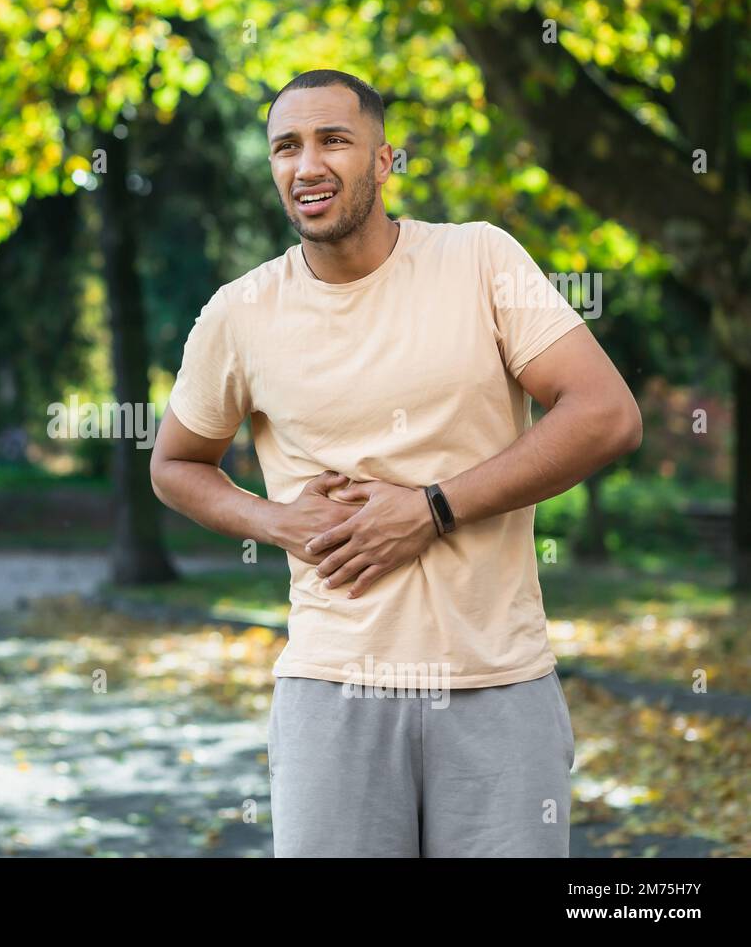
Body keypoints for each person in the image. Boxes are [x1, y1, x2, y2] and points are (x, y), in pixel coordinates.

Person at [148, 69, 643, 857]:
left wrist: (432, 507)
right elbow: (175, 464)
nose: (307, 165)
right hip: (331, 689)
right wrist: (273, 520)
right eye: (286, 147)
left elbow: (605, 414)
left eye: (333, 141)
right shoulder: (240, 312)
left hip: (498, 684)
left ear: (385, 162)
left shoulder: (480, 259)